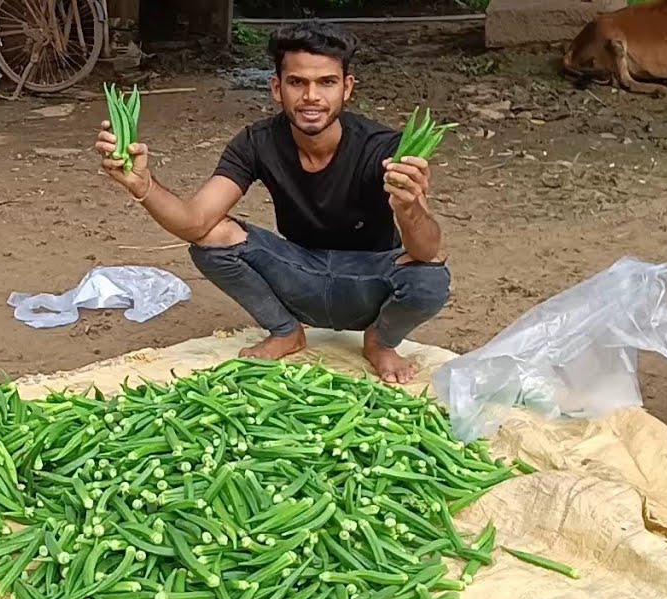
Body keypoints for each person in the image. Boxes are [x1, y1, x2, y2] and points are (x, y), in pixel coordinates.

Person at [94, 22, 449, 384]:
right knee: (214, 238)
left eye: (326, 82)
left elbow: (425, 250)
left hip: (370, 282)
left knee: (430, 275)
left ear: (347, 87)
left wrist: (410, 207)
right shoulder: (256, 143)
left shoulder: (384, 148)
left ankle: (381, 341)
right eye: (297, 82)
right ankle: (285, 331)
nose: (311, 96)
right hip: (298, 275)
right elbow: (195, 222)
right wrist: (143, 184)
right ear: (277, 88)